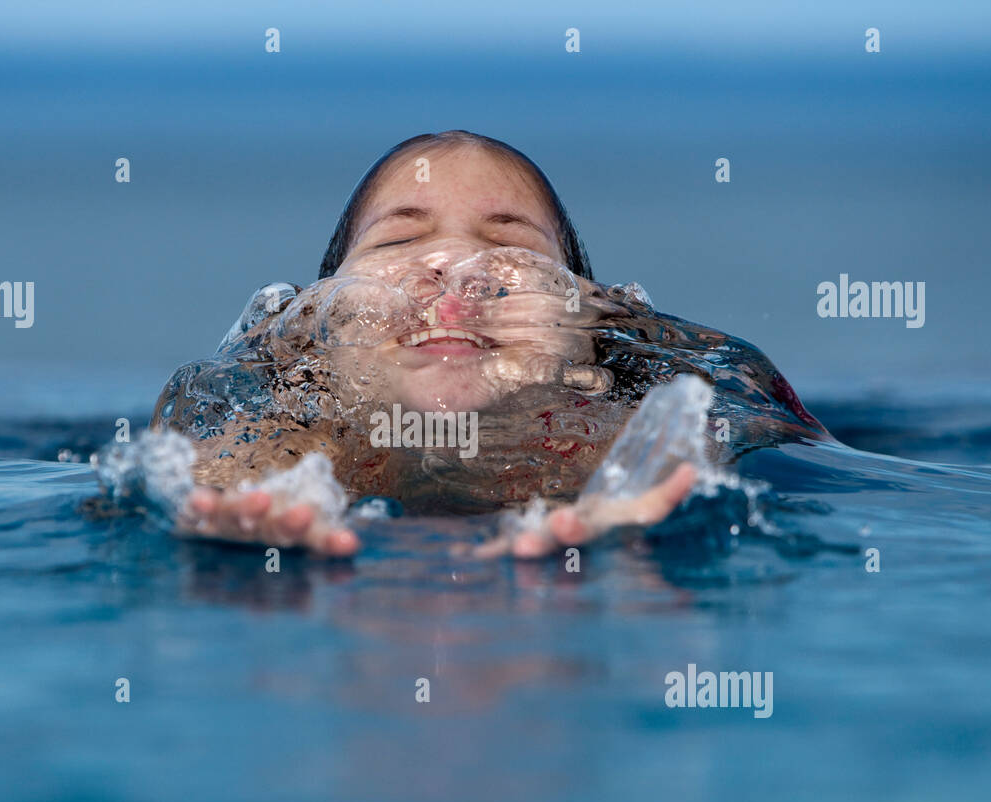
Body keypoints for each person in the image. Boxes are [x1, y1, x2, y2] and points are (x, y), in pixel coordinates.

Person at [162, 131, 710, 556]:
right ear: (309, 328)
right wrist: (225, 523)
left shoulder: (614, 447)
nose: (452, 262)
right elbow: (192, 493)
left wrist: (633, 531)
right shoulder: (292, 445)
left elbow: (692, 470)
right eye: (399, 239)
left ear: (592, 326)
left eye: (509, 242)